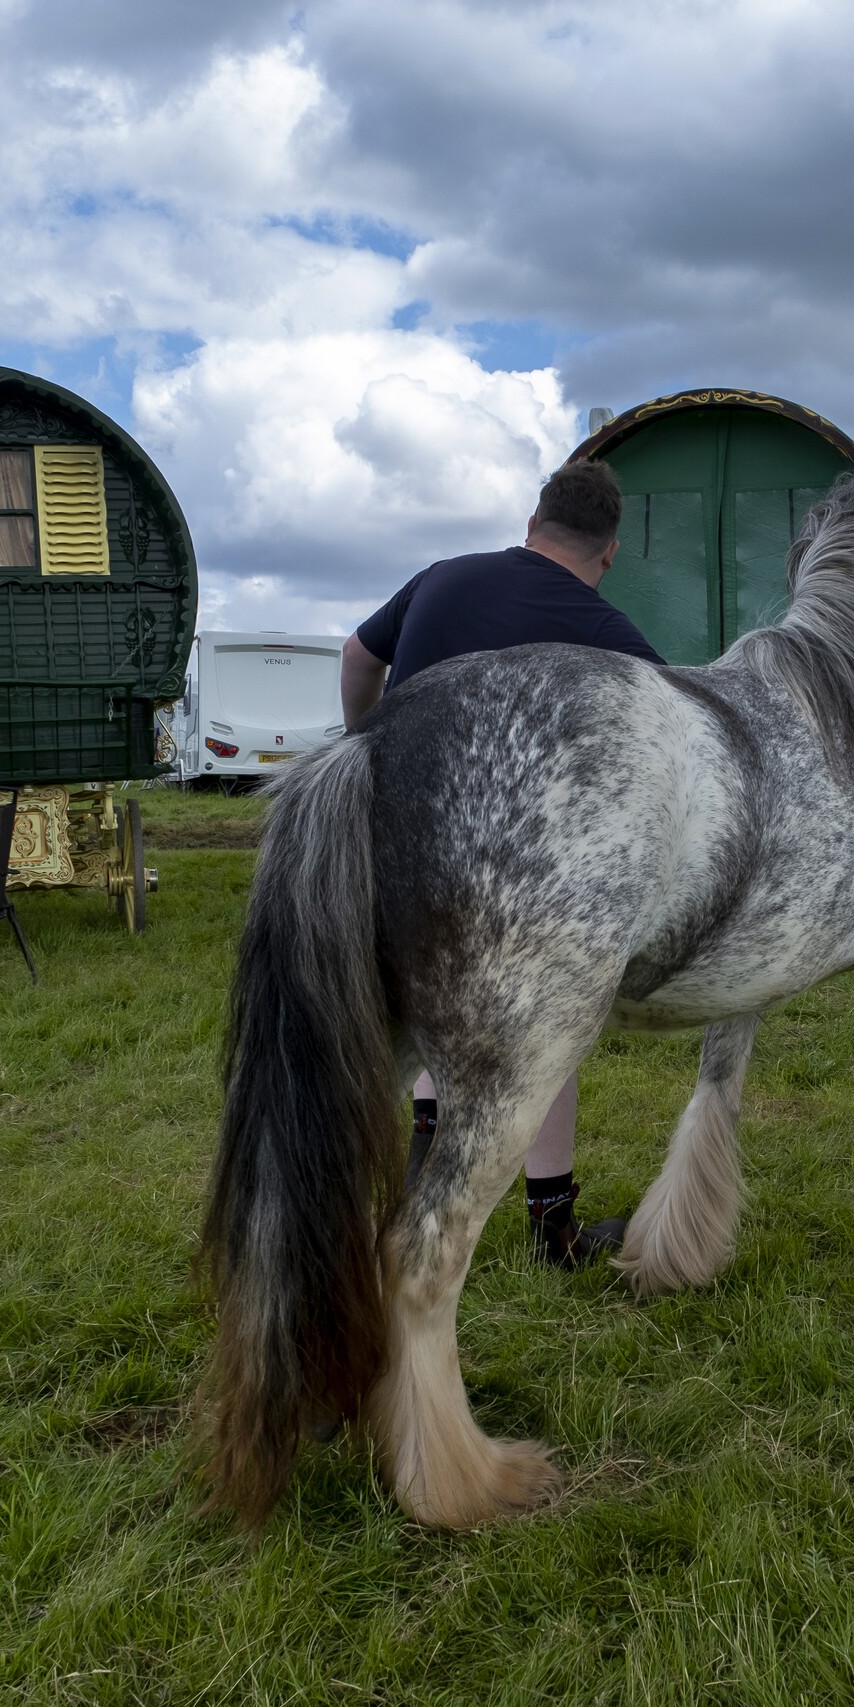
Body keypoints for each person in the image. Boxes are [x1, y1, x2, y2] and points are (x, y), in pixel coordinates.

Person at [343, 459, 661, 1269]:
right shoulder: (608, 634)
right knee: (552, 1022)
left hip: (396, 843)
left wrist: (364, 750)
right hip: (510, 866)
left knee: (426, 1004)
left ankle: (421, 1177)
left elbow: (356, 657)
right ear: (609, 552)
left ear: (531, 523)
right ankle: (552, 1228)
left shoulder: (441, 578)